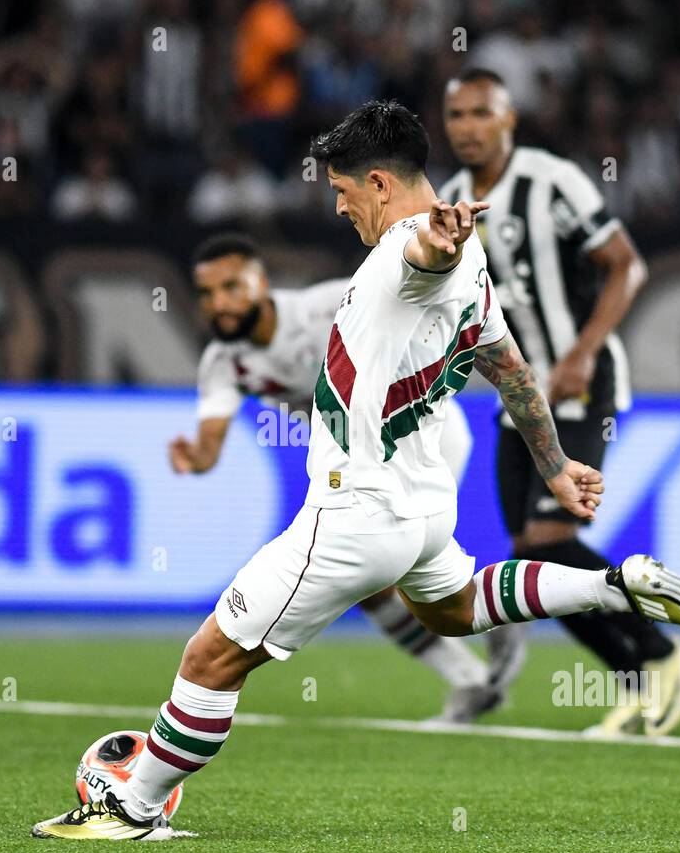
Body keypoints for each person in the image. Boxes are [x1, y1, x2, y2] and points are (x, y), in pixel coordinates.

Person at [33, 101, 680, 840]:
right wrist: (555, 469)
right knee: (453, 607)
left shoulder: (409, 248)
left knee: (212, 655)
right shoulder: (477, 270)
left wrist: (441, 244)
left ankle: (131, 808)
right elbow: (515, 372)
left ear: (379, 182)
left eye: (342, 191)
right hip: (421, 508)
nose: (339, 208)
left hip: (355, 508)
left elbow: (427, 258)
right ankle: (613, 586)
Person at [169, 231, 523, 723]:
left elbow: (427, 318)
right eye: (207, 294)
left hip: (422, 442)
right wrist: (195, 457)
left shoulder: (328, 305)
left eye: (232, 287)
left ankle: (486, 614)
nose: (219, 304)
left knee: (390, 567)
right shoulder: (223, 363)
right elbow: (208, 446)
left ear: (261, 282)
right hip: (362, 466)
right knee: (384, 583)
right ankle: (474, 661)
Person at [437, 68, 680, 737]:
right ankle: (643, 680)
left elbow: (625, 262)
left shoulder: (552, 178)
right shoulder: (455, 199)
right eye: (456, 115)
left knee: (553, 538)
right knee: (529, 553)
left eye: (479, 113)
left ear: (508, 118)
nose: (466, 126)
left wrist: (581, 352)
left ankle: (664, 650)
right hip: (518, 396)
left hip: (581, 382)